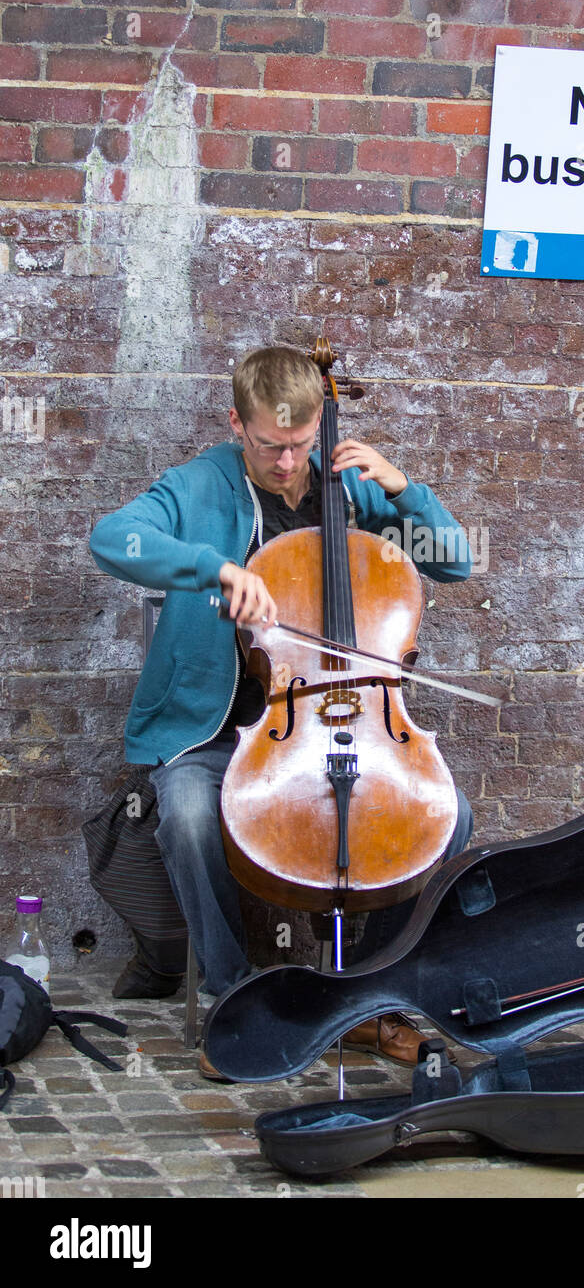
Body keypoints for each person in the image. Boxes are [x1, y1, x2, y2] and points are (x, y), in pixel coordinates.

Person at [89, 345, 474, 1076]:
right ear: (239, 423)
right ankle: (239, 1000)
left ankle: (368, 996)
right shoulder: (199, 485)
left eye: (301, 445)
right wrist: (215, 567)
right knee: (191, 815)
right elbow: (113, 539)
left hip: (348, 722)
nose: (290, 462)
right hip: (214, 732)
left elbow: (453, 557)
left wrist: (407, 490)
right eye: (271, 446)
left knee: (448, 817)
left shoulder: (353, 492)